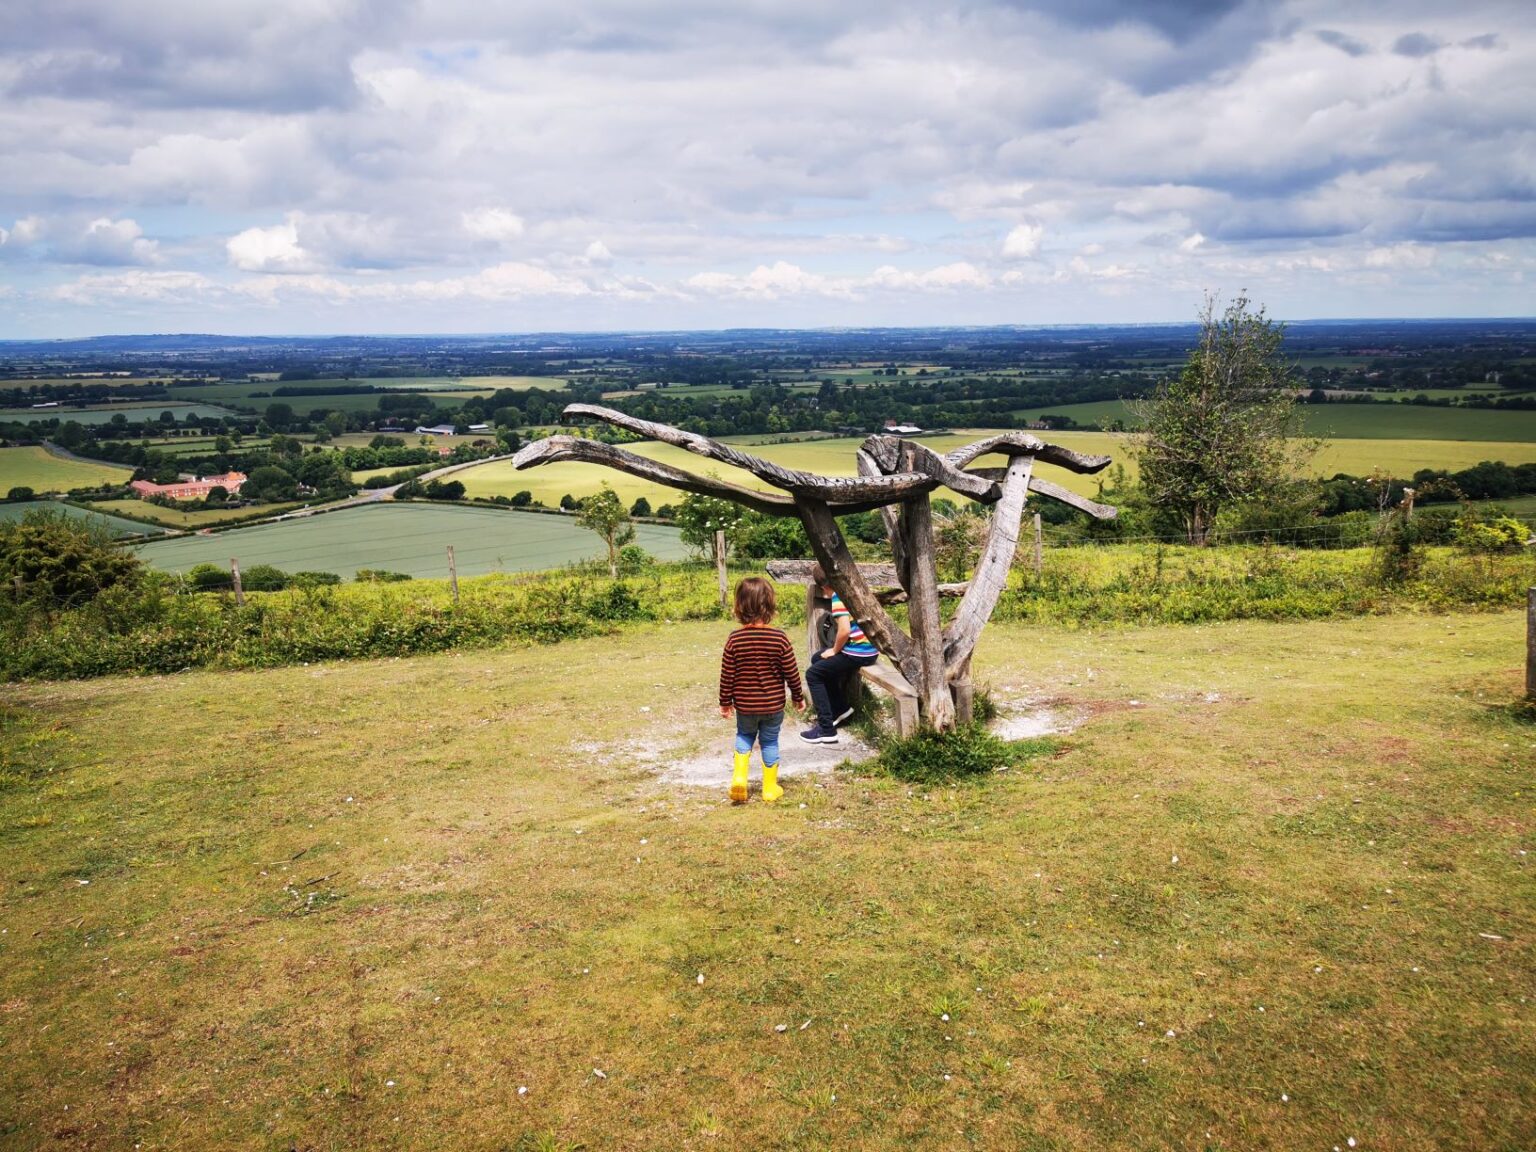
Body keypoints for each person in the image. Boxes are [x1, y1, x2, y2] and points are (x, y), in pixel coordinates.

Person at [718, 577, 805, 804]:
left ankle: (739, 778)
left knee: (744, 736)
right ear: (770, 605)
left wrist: (725, 702)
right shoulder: (779, 638)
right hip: (772, 706)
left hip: (745, 706)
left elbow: (727, 675)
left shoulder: (735, 639)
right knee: (769, 742)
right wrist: (798, 696)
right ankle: (769, 788)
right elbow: (791, 672)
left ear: (739, 605)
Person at [800, 562, 879, 745]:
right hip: (868, 649)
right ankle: (840, 709)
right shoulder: (850, 593)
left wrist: (835, 650)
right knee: (818, 659)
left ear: (824, 587)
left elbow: (844, 630)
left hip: (858, 653)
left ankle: (826, 729)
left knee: (813, 674)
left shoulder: (837, 598)